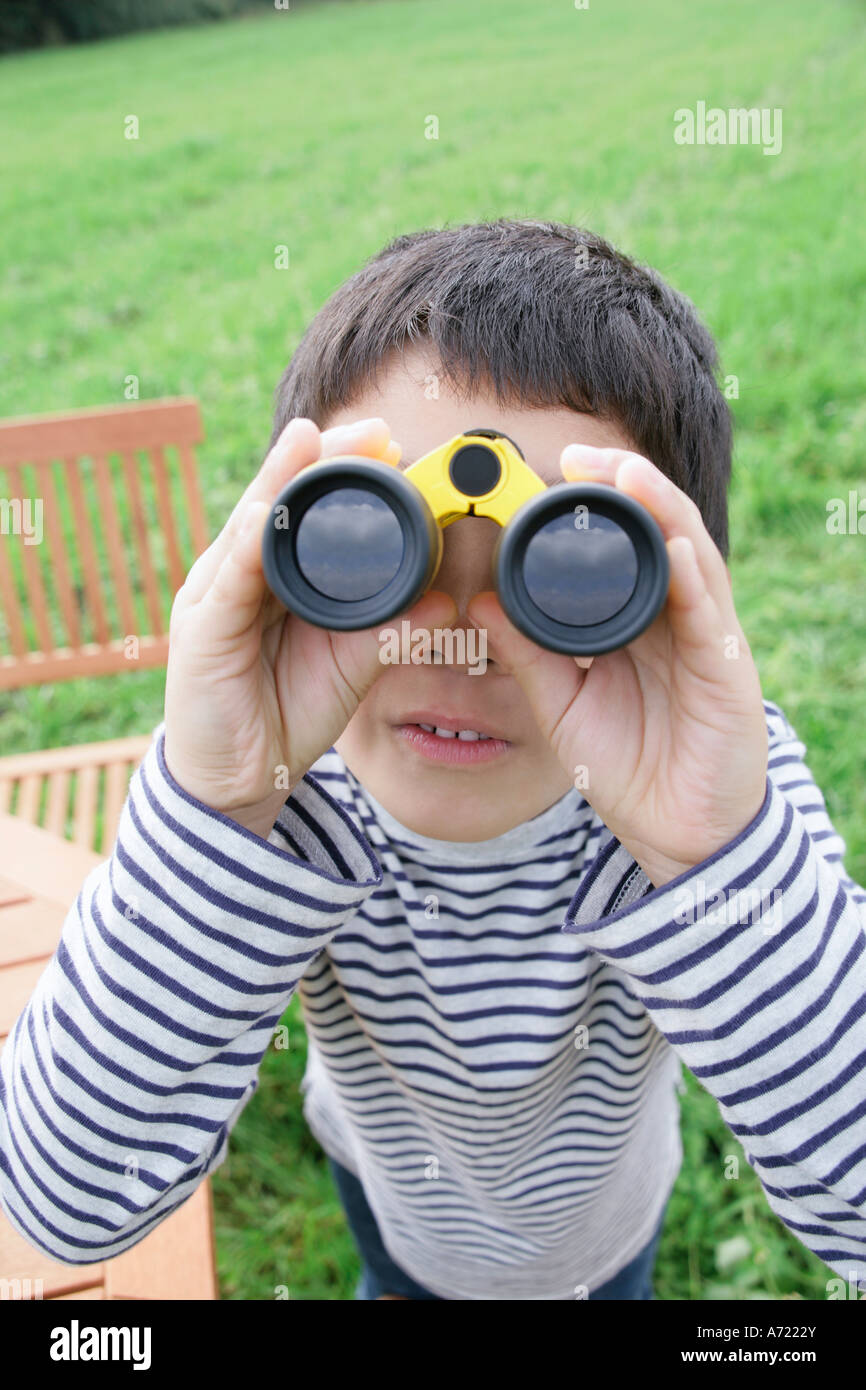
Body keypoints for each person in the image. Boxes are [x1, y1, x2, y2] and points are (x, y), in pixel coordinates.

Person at [2, 220, 865, 1301]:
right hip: (390, 1191)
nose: (459, 638)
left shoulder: (707, 792)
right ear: (281, 558)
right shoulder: (275, 802)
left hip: (599, 1227)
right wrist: (216, 806)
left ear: (673, 593)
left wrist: (713, 855)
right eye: (374, 548)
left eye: (567, 568)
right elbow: (61, 1203)